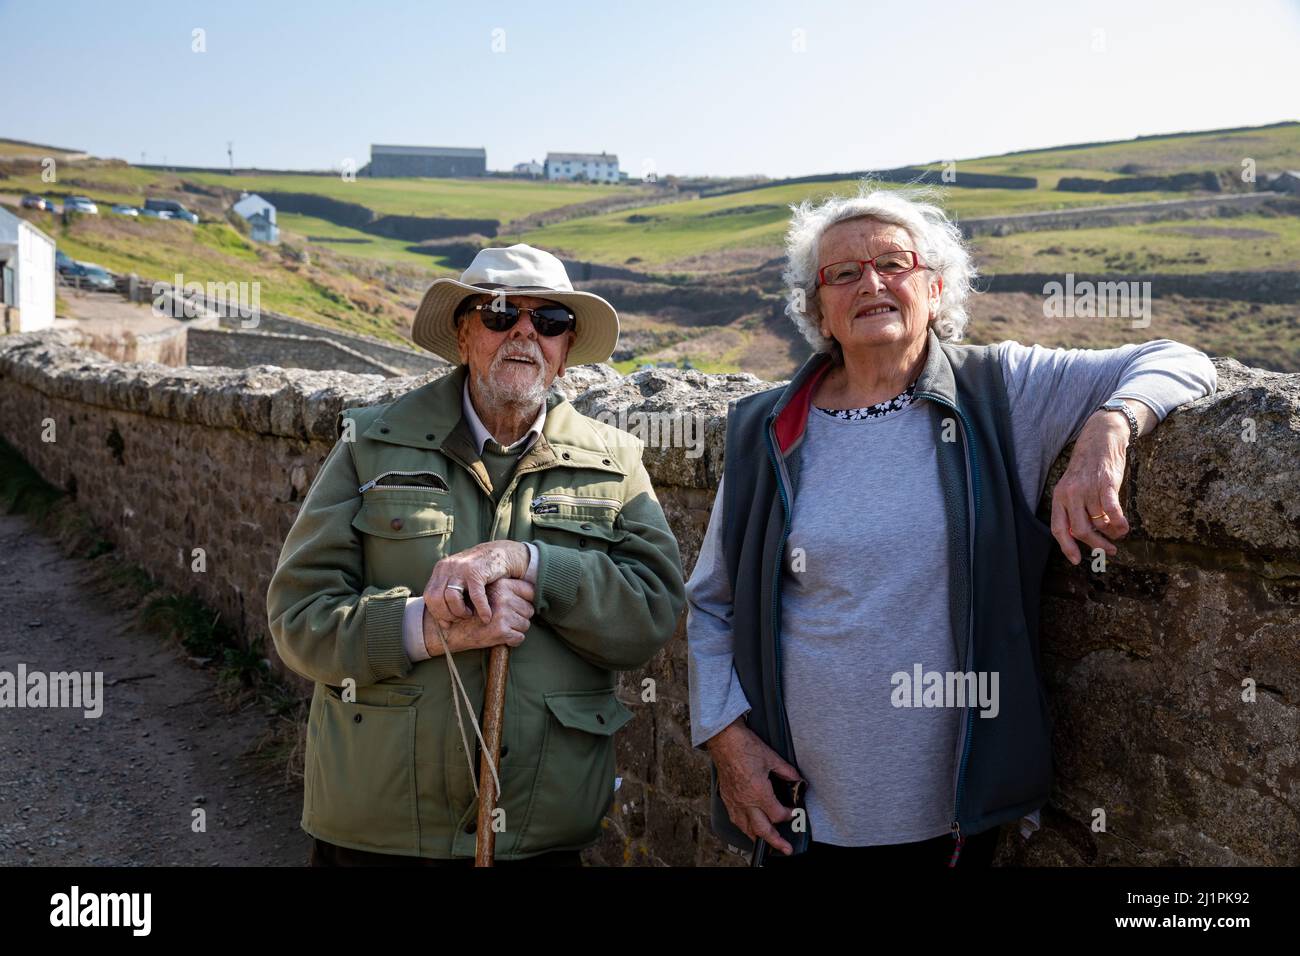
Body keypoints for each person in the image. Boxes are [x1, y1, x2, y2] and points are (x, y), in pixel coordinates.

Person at [685, 184, 1218, 868]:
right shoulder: (766, 428)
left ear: (935, 290)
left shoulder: (1002, 391)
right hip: (798, 807)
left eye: (893, 264)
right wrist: (727, 744)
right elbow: (712, 602)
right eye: (842, 274)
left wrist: (1109, 428)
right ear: (819, 311)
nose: (870, 283)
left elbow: (1180, 359)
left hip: (951, 814)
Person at [267, 243, 685, 865]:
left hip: (539, 832)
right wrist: (427, 629)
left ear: (565, 352)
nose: (524, 331)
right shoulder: (370, 443)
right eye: (497, 313)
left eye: (550, 321)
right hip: (378, 830)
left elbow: (650, 614)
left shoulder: (616, 460)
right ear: (463, 334)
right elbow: (298, 619)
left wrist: (536, 566)